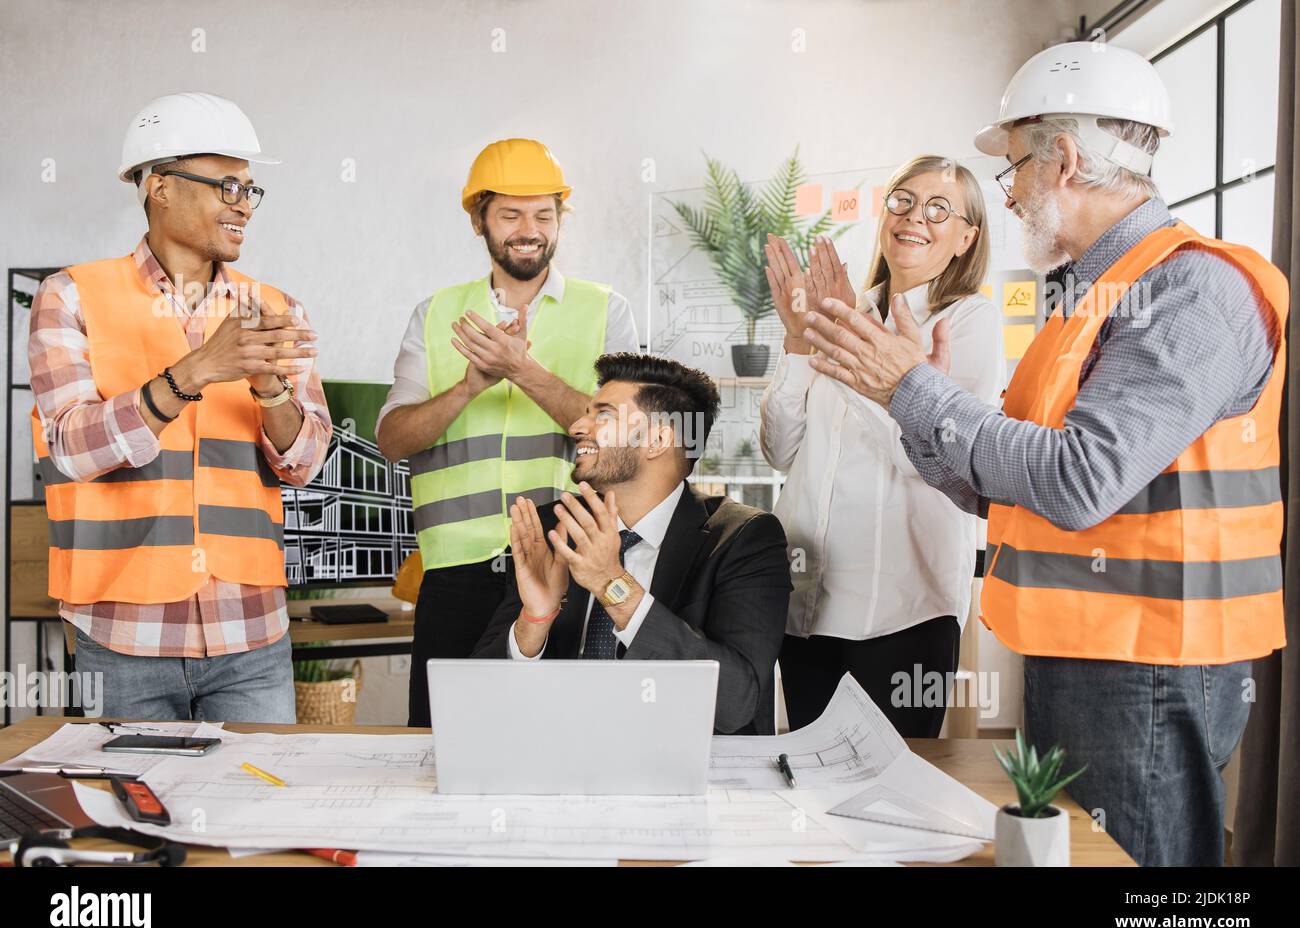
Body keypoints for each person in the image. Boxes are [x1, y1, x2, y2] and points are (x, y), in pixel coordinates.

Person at [801, 42, 1287, 867]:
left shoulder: (1188, 290)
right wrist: (905, 397)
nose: (1013, 192)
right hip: (1092, 653)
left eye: (1016, 168)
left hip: (1152, 663)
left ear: (1062, 160)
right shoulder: (1091, 298)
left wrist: (914, 388)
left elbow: (1078, 480)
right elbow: (1008, 488)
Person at [29, 92, 331, 722]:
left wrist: (270, 390)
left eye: (249, 190)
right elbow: (71, 449)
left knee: (252, 814)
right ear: (160, 187)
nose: (242, 204)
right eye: (226, 185)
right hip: (122, 633)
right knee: (131, 816)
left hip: (251, 632)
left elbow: (305, 464)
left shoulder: (275, 307)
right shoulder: (72, 296)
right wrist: (194, 371)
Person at [376, 139, 639, 726]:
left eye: (544, 215)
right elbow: (392, 439)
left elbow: (627, 440)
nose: (530, 230)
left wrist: (523, 371)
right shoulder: (435, 313)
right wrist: (471, 386)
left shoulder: (606, 311)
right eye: (511, 215)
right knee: (441, 740)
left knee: (560, 738)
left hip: (568, 562)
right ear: (479, 221)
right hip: (455, 575)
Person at [761, 155, 1004, 736]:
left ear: (966, 238)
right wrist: (800, 341)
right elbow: (779, 449)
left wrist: (854, 342)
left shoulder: (969, 321)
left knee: (896, 798)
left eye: (939, 209)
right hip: (807, 607)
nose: (915, 217)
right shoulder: (843, 310)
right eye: (903, 200)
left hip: (903, 610)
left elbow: (929, 458)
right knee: (812, 793)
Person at [472, 353, 792, 734]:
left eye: (602, 415)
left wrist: (613, 586)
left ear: (658, 439)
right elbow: (480, 697)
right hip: (558, 755)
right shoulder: (552, 527)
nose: (577, 426)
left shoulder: (743, 538)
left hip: (679, 770)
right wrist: (534, 621)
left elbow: (736, 703)